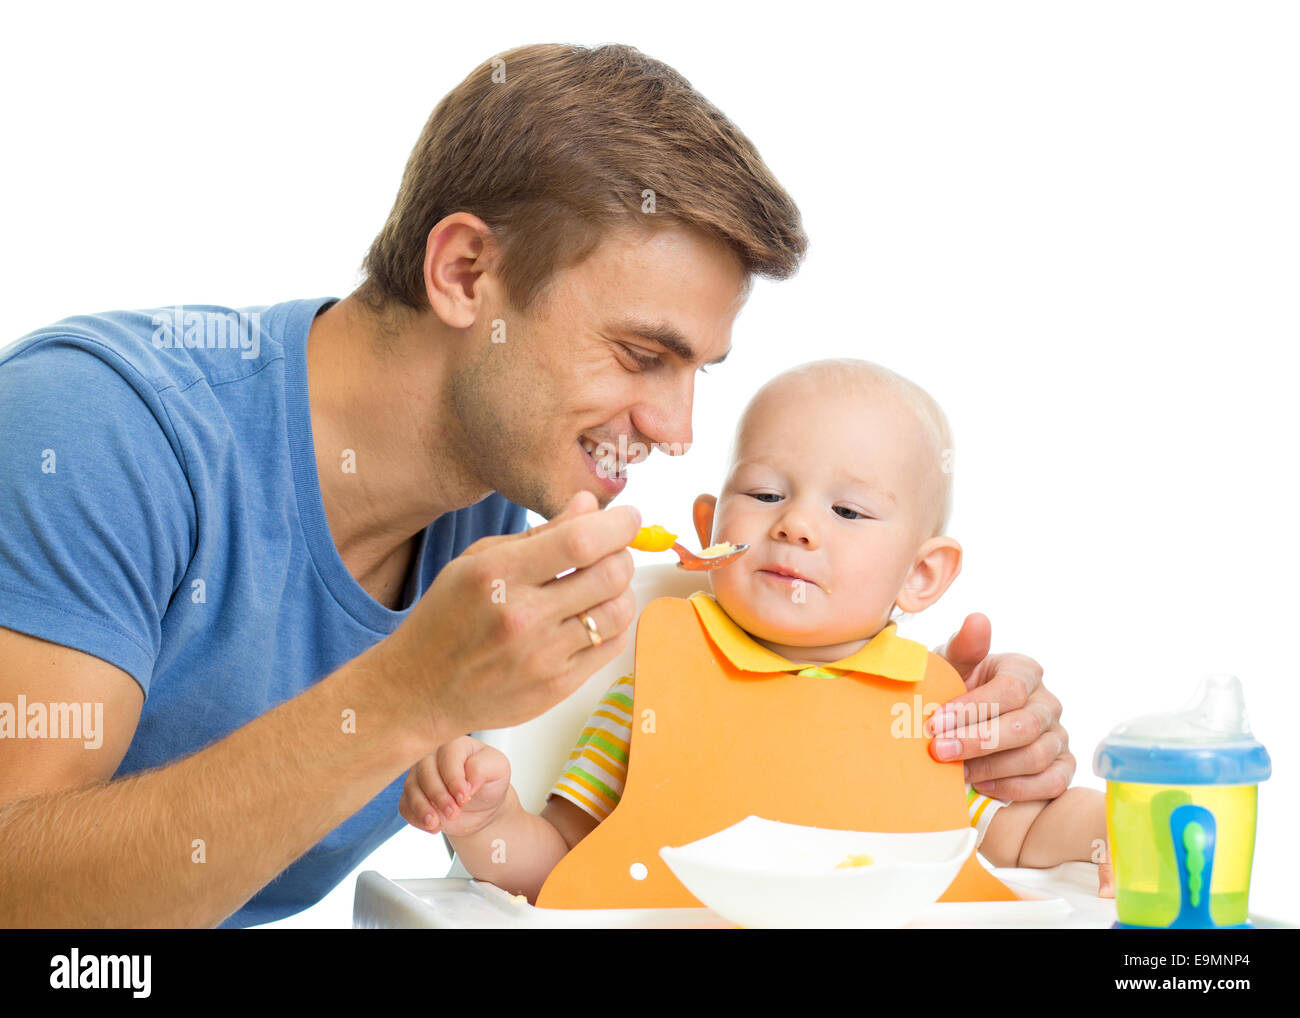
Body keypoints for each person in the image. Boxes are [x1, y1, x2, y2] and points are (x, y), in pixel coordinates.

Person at [0, 43, 1071, 929]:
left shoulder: (499, 512)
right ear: (465, 272)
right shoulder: (97, 430)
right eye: (642, 353)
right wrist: (404, 693)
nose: (676, 428)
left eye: (698, 372)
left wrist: (952, 737)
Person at [402, 360, 1114, 903]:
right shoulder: (657, 690)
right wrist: (487, 826)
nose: (795, 523)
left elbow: (1021, 837)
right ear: (709, 530)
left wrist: (1112, 826)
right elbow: (564, 860)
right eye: (767, 494)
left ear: (921, 576)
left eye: (849, 512)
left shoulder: (929, 716)